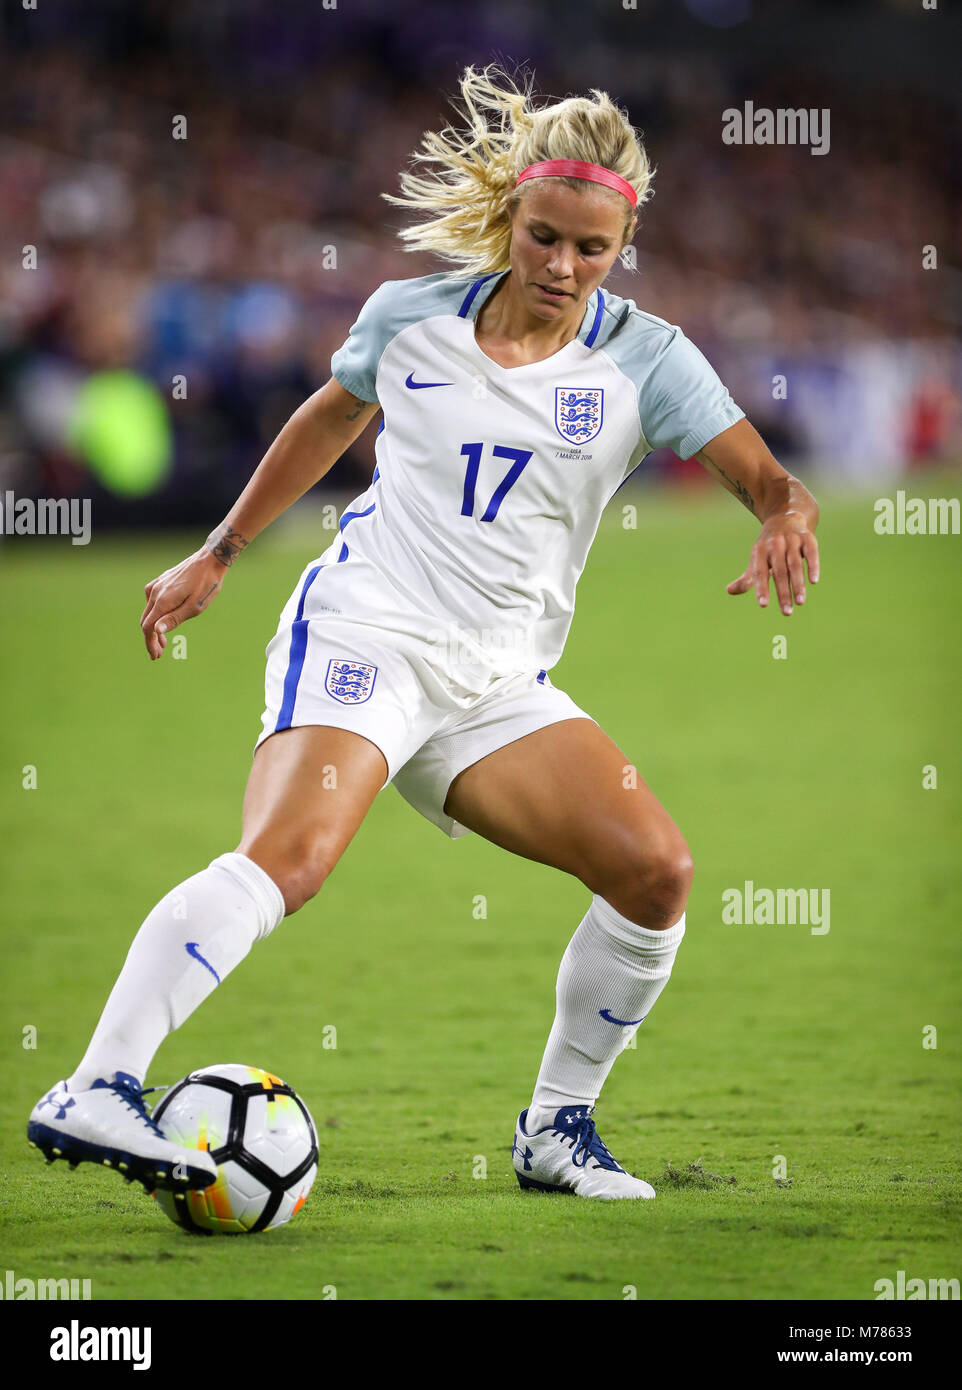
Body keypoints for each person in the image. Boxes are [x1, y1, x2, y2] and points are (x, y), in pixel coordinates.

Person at [28, 66, 819, 1200]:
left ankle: (555, 1129)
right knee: (291, 860)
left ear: (622, 240)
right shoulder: (408, 316)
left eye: (590, 249)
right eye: (542, 237)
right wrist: (219, 552)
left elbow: (765, 477)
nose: (559, 267)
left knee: (656, 873)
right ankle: (98, 1084)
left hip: (496, 681)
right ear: (508, 214)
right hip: (368, 629)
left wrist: (783, 518)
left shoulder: (648, 359)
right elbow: (326, 415)